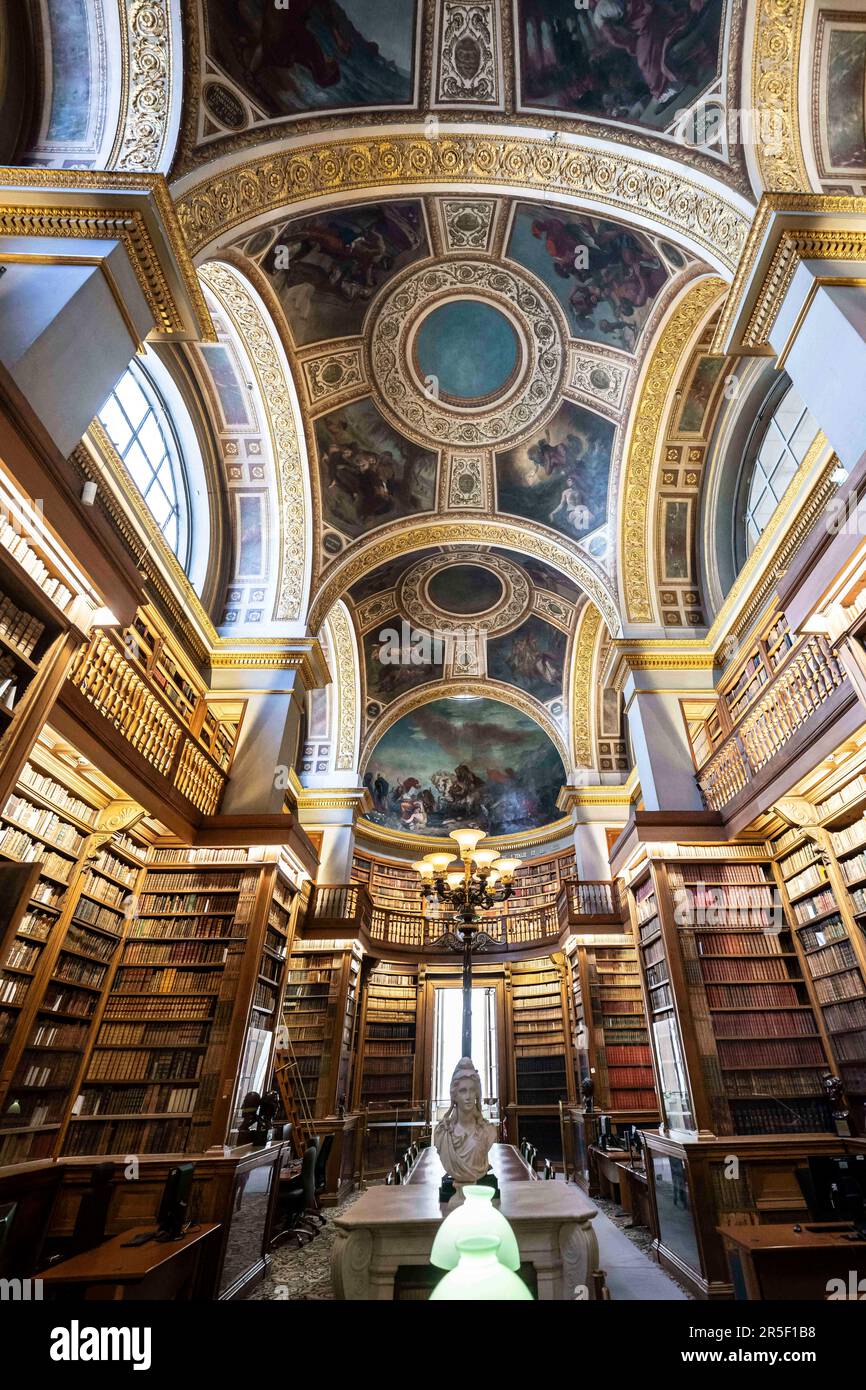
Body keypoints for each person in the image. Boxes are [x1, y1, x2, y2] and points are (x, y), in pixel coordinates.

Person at [433, 1058, 498, 1184]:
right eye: (463, 1091)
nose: (468, 1097)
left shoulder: (487, 1131)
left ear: (476, 1094)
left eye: (472, 1090)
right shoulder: (443, 1133)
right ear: (454, 1095)